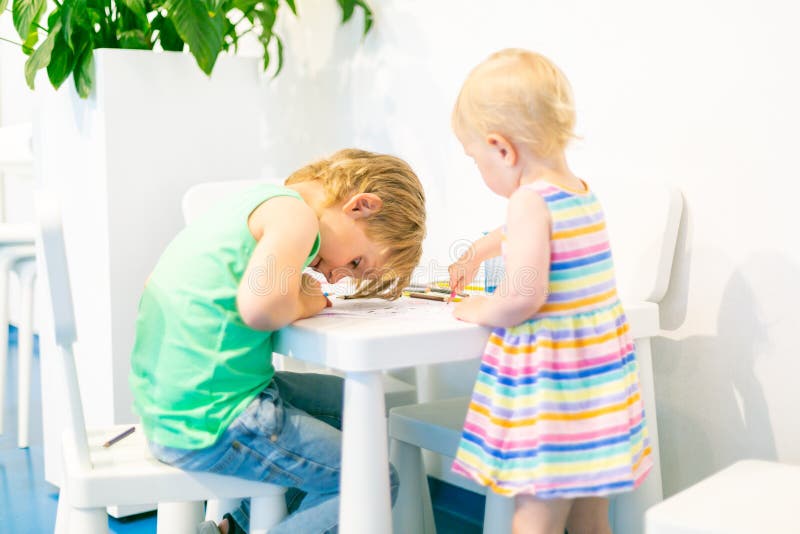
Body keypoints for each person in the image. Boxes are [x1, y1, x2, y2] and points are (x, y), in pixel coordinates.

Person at [129, 148, 426, 534]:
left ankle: (229, 531)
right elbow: (261, 308)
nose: (337, 278)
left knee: (349, 407)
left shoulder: (260, 203)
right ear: (361, 206)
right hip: (213, 419)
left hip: (177, 405)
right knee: (372, 480)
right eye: (355, 263)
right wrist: (306, 300)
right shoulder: (295, 217)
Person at [447, 49, 652, 534]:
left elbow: (523, 298)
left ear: (502, 149)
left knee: (534, 517)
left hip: (553, 396)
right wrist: (481, 248)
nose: (480, 170)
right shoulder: (580, 192)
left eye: (475, 159)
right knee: (590, 517)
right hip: (596, 390)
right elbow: (531, 233)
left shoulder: (527, 201)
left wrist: (477, 308)